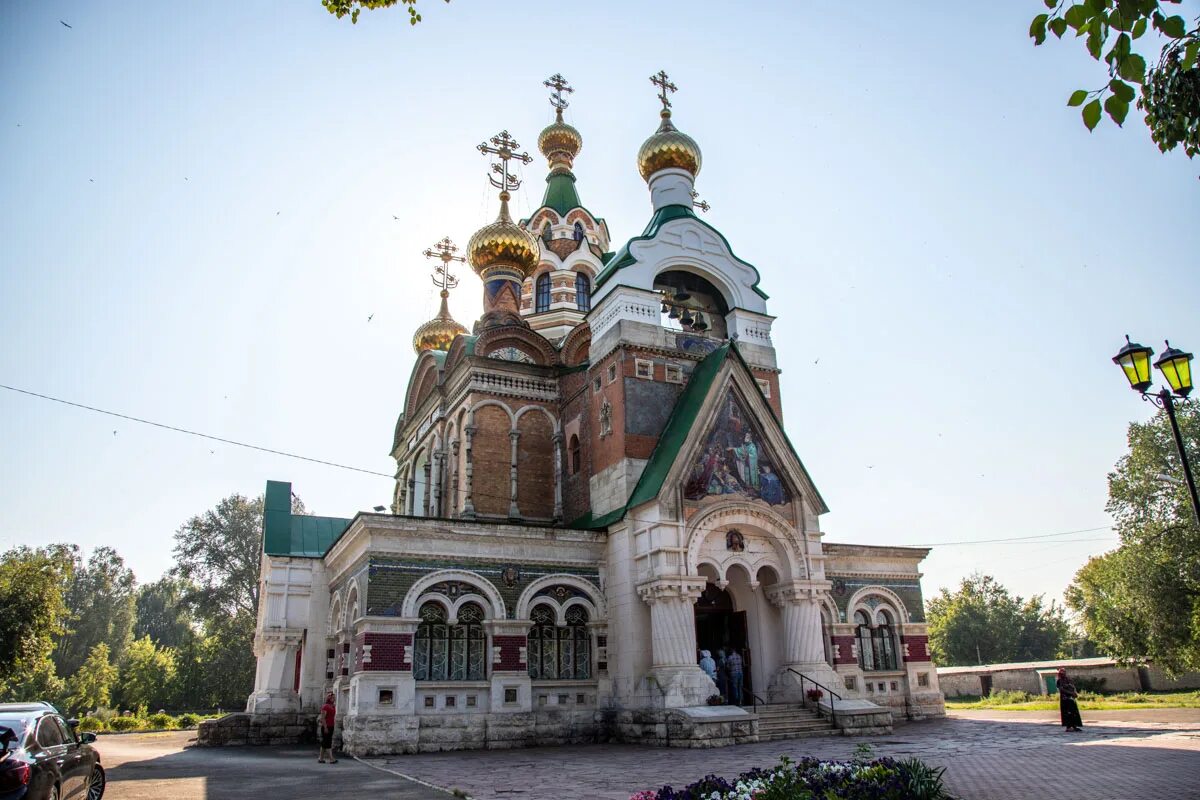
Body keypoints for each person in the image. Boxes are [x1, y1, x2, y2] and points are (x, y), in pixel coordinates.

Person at [318, 693, 338, 763]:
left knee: (325, 742)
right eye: (333, 698)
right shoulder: (325, 707)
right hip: (326, 726)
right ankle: (331, 759)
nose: (334, 699)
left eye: (334, 698)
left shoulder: (333, 706)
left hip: (331, 726)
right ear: (329, 698)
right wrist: (325, 727)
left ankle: (320, 758)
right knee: (328, 743)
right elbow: (323, 718)